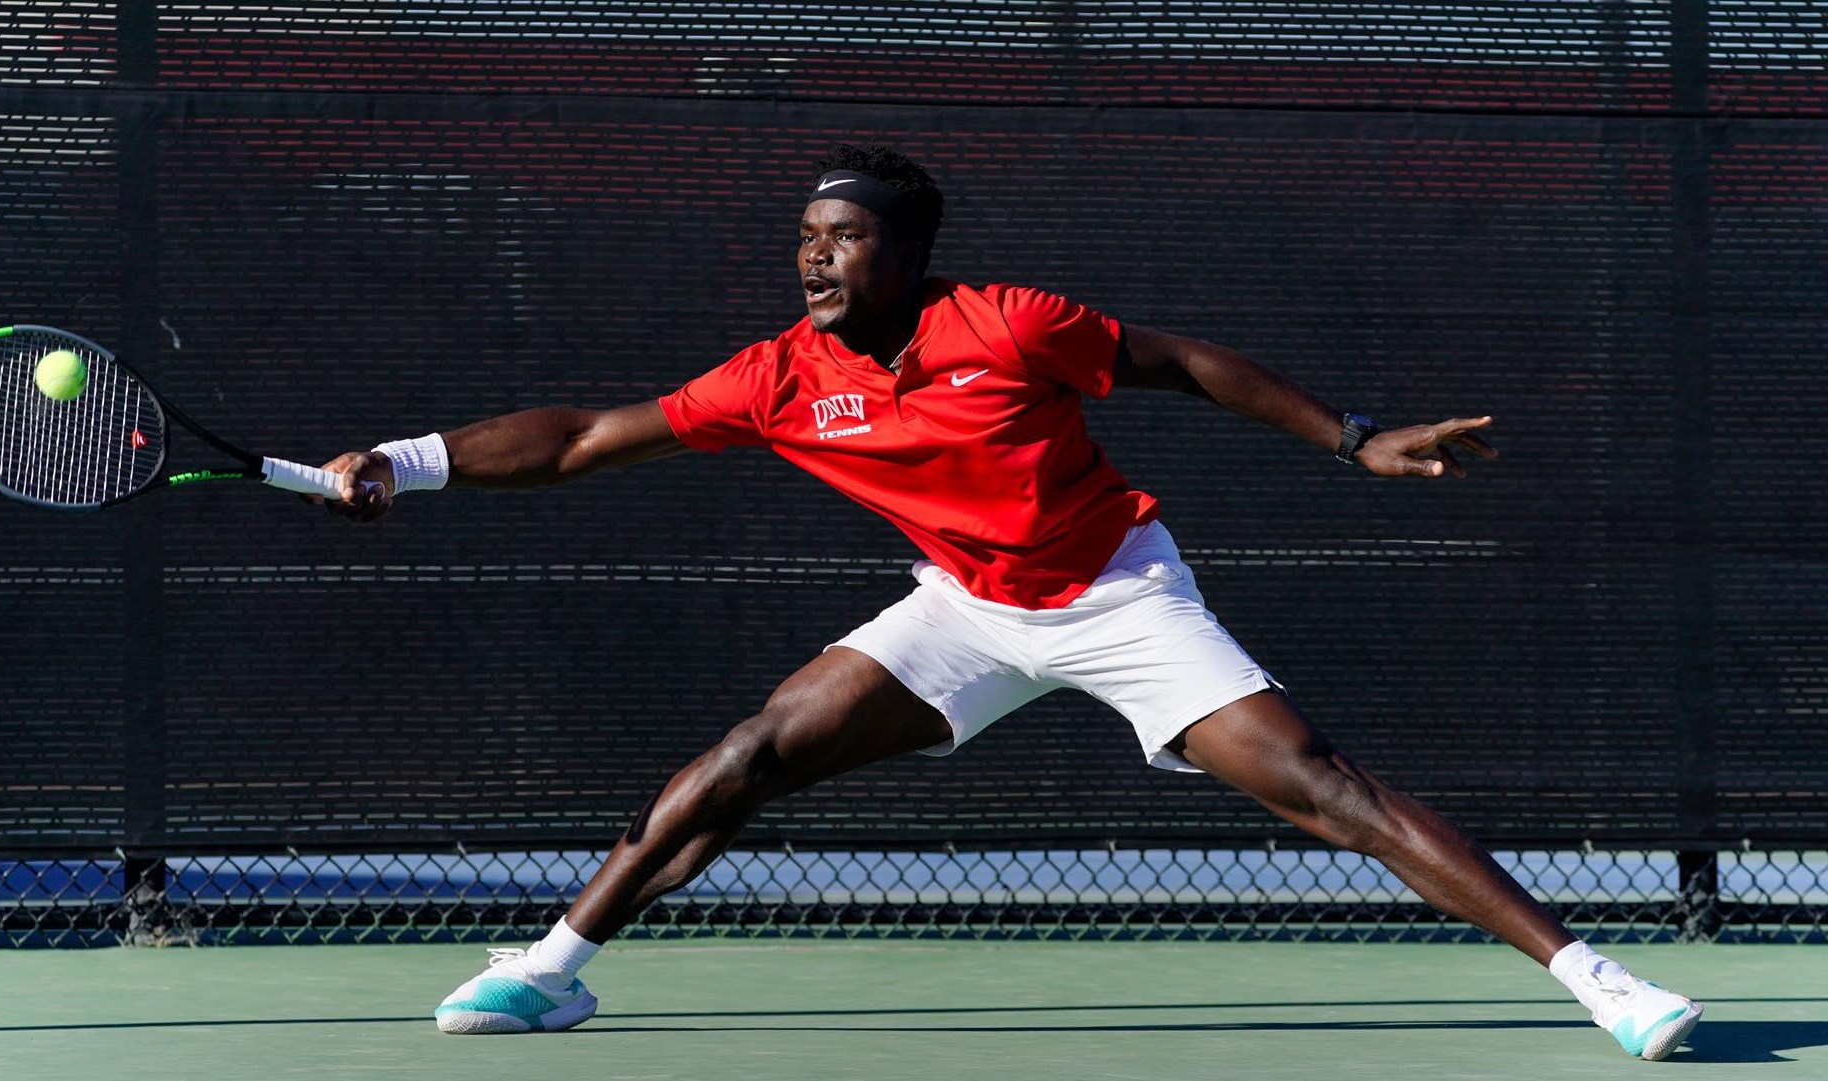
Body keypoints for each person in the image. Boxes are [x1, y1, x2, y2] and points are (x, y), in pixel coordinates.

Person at [312, 144, 1701, 1060]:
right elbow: (577, 438)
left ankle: (1597, 982)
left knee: (1319, 786)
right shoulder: (782, 375)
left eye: (843, 239)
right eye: (805, 237)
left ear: (903, 253)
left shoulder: (1008, 322)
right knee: (746, 757)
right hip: (962, 609)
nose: (814, 260)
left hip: (1114, 592)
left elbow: (1180, 363)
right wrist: (407, 462)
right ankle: (553, 965)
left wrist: (1351, 436)